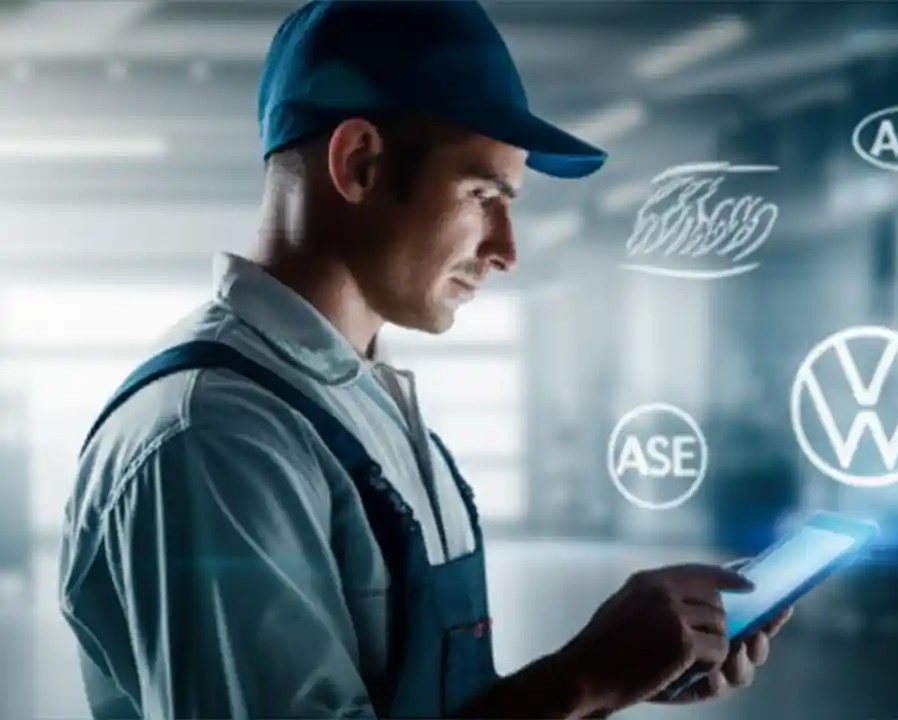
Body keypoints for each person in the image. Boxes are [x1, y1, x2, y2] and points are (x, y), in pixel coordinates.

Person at [57, 2, 790, 718]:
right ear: (360, 162)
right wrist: (580, 681)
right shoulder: (218, 437)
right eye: (482, 195)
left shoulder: (362, 405)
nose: (506, 250)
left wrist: (626, 674)